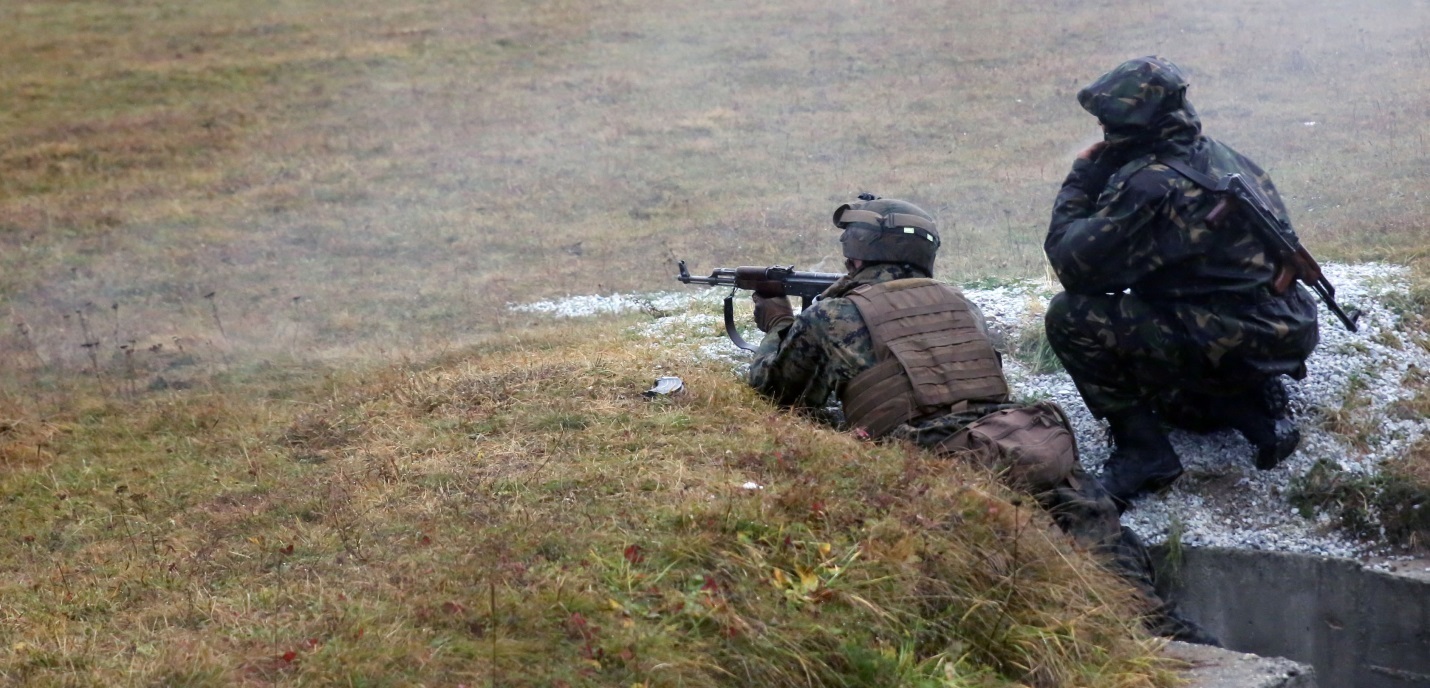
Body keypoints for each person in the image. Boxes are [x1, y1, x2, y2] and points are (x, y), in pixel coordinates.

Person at [747, 194, 1216, 645]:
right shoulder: (959, 303)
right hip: (1022, 441)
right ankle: (1186, 647)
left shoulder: (833, 315)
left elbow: (776, 392)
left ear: (857, 253)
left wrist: (778, 324)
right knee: (1120, 572)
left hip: (943, 463)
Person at [1044, 56, 1320, 509]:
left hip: (1234, 336)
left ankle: (1144, 452)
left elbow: (1073, 266)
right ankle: (1247, 406)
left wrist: (1081, 180)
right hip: (1285, 326)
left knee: (1071, 316)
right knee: (1181, 371)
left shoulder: (1151, 183)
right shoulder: (1222, 154)